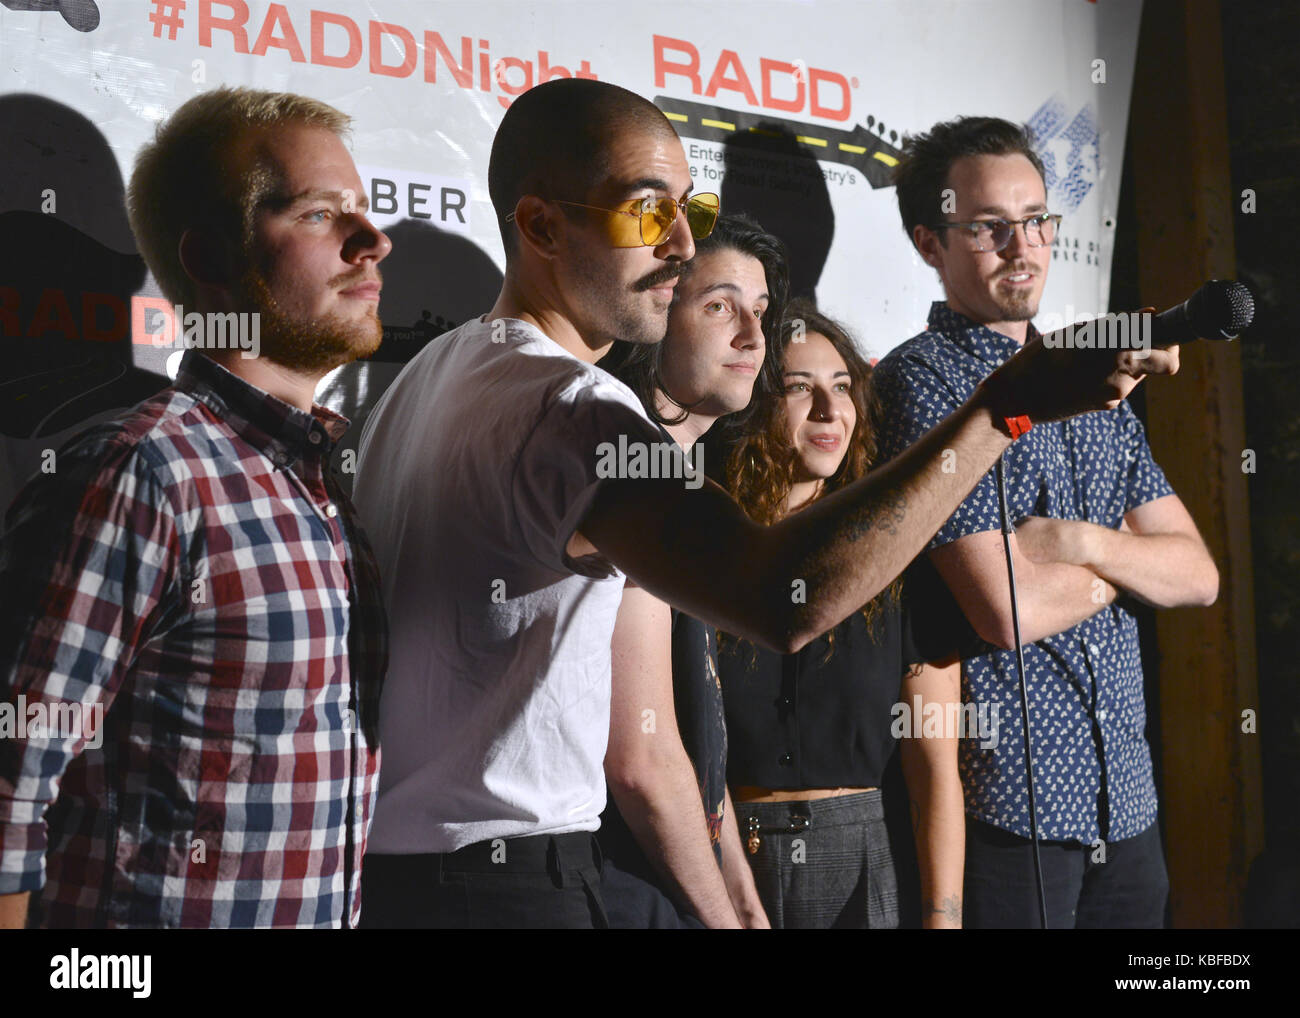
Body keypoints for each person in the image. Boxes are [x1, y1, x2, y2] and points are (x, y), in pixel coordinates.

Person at [352, 78, 1182, 930]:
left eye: (691, 210)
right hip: (519, 885)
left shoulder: (437, 371)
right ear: (541, 227)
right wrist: (1003, 408)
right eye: (647, 212)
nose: (680, 247)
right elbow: (780, 593)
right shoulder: (576, 410)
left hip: (411, 879)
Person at [0, 87, 391, 928]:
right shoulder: (143, 471)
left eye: (365, 210)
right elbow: (8, 784)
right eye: (323, 215)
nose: (375, 242)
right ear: (211, 260)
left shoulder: (317, 482)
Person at [872, 116, 1219, 928]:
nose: (1022, 246)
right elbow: (1007, 610)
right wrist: (1133, 568)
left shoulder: (1095, 374)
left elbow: (1198, 577)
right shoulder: (922, 384)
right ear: (931, 242)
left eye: (1035, 221)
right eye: (990, 228)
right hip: (1008, 812)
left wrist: (1077, 543)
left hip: (1126, 801)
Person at [717, 299, 963, 929]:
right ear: (751, 399)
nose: (831, 410)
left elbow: (933, 771)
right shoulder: (699, 556)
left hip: (860, 862)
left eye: (844, 387)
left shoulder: (899, 564)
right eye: (800, 388)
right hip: (717, 860)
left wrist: (943, 921)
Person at [595, 213, 786, 928]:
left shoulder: (690, 474)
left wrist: (743, 900)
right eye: (719, 307)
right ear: (656, 315)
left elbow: (694, 750)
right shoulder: (627, 464)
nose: (753, 336)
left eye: (761, 312)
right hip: (618, 885)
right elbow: (643, 764)